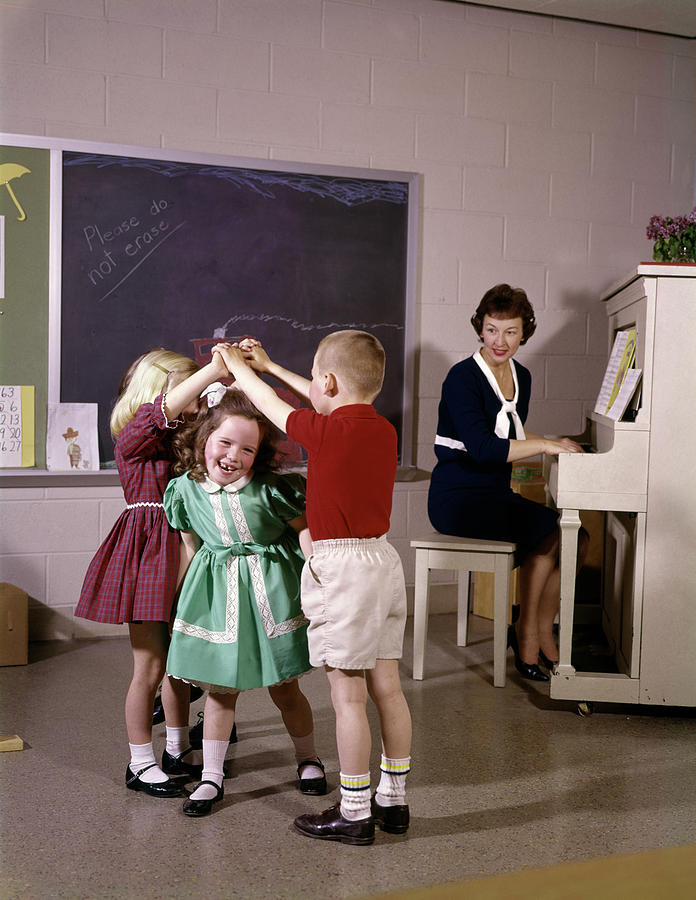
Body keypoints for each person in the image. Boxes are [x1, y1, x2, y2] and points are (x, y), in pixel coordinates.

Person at [217, 331, 412, 847]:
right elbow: (321, 394)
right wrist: (274, 363)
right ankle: (393, 802)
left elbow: (271, 407)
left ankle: (352, 811)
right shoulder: (383, 430)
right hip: (383, 560)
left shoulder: (325, 431)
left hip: (343, 567)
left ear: (327, 382)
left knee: (346, 698)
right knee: (387, 688)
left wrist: (240, 368)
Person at [163, 385, 326, 818]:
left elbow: (304, 527)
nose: (234, 455)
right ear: (203, 441)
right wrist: (180, 601)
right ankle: (211, 777)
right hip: (217, 598)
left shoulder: (273, 490)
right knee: (220, 691)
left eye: (247, 449)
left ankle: (308, 758)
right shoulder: (184, 490)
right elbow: (190, 548)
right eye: (225, 442)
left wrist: (315, 571)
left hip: (270, 594)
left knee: (285, 687)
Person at [75, 347, 230, 797]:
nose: (198, 401)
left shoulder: (179, 437)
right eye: (192, 390)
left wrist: (229, 384)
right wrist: (209, 372)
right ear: (164, 388)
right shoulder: (136, 433)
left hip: (185, 551)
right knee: (150, 666)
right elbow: (159, 413)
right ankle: (140, 763)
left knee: (179, 667)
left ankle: (177, 750)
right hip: (147, 556)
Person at [428, 283, 586, 681]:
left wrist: (554, 442)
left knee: (577, 537)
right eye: (492, 329)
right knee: (548, 530)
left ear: (524, 332)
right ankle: (526, 632)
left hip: (495, 493)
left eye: (510, 331)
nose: (501, 341)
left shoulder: (523, 376)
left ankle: (540, 627)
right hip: (457, 497)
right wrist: (545, 445)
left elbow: (511, 431)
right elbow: (483, 448)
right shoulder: (461, 378)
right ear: (480, 328)